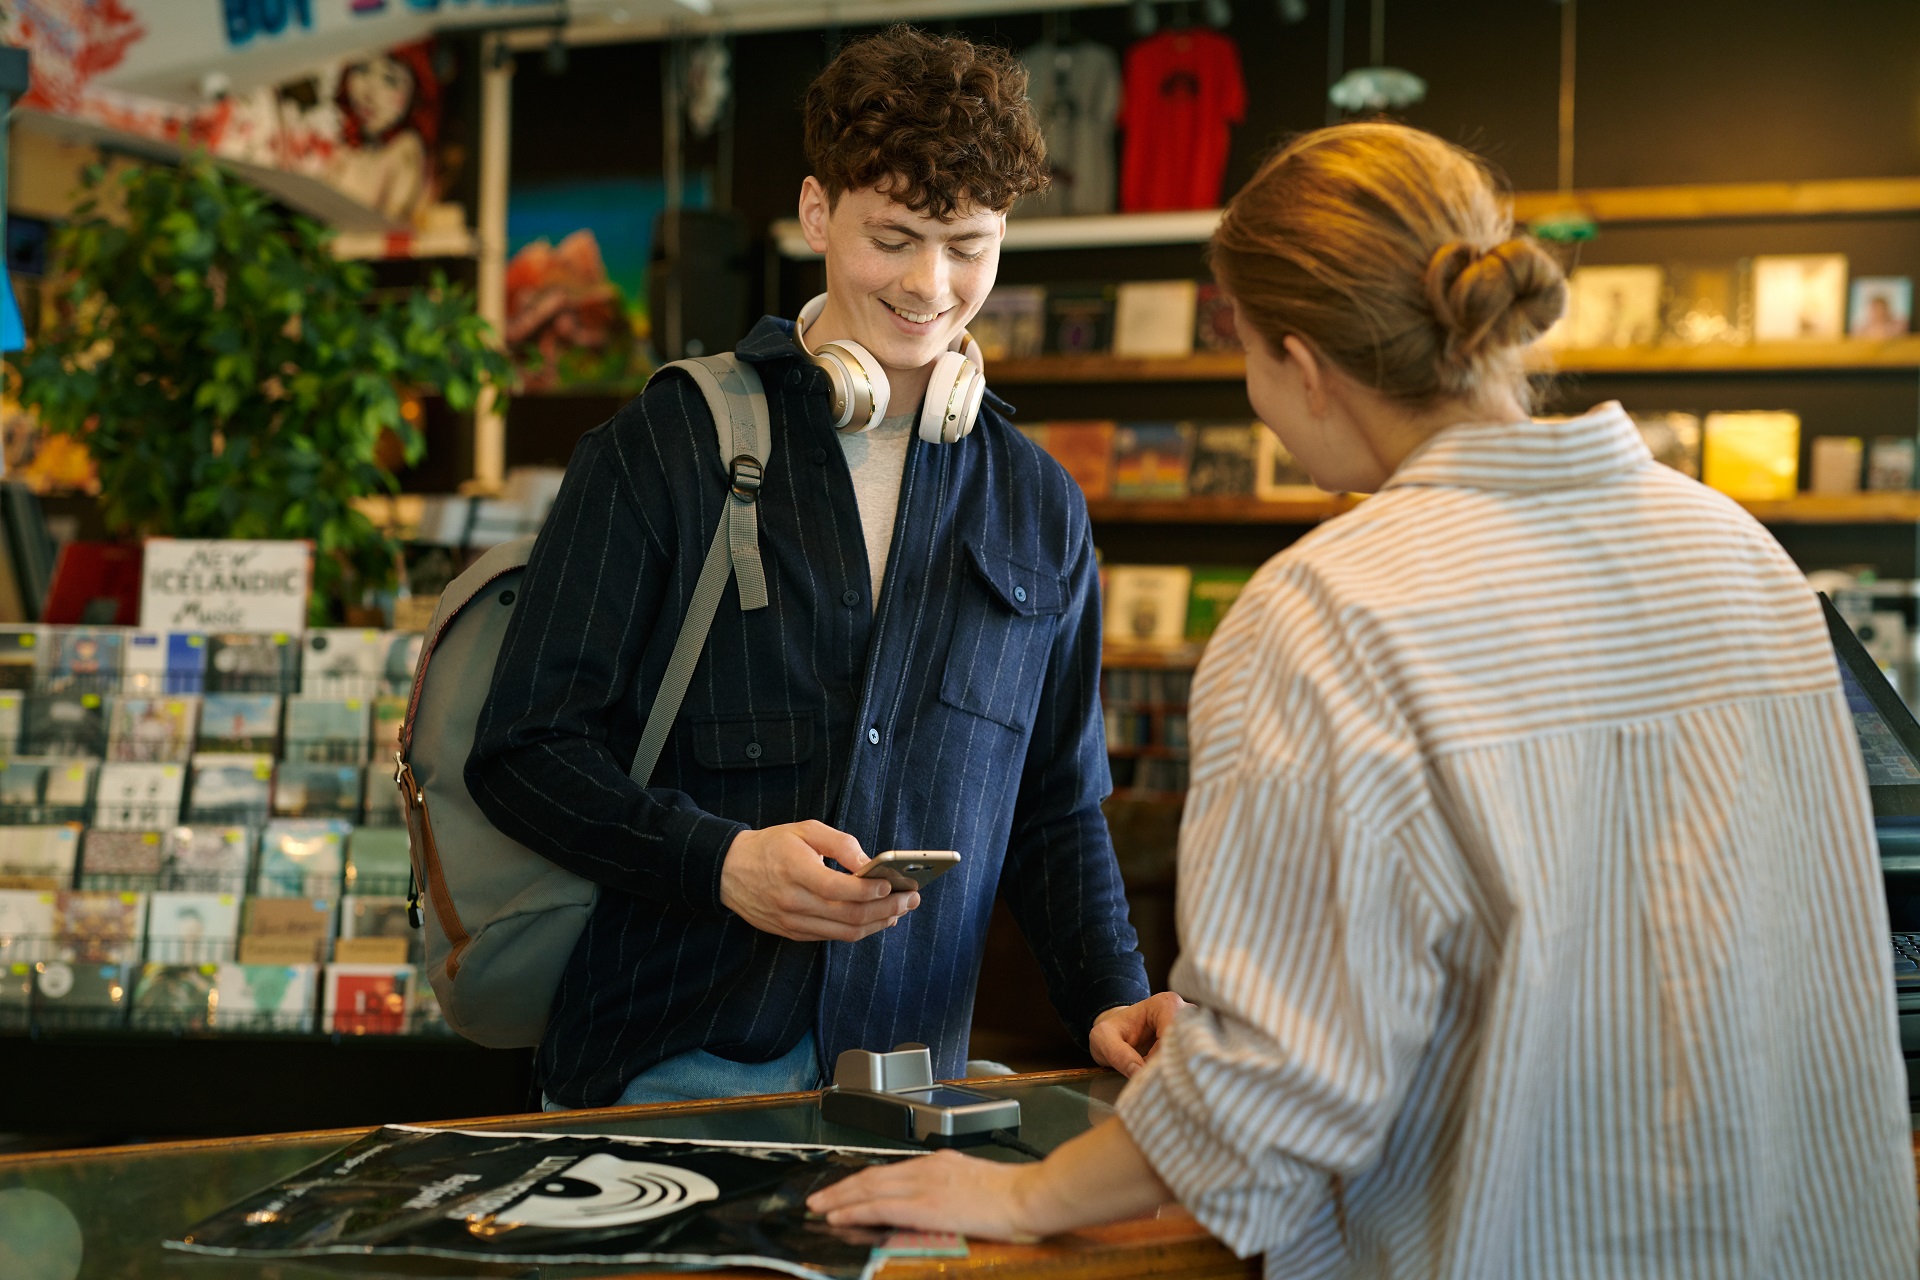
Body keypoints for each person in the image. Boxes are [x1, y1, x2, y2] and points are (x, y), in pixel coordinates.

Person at [810, 121, 1920, 1275]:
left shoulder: (1327, 610)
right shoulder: (1738, 550)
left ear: (1302, 361)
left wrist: (1029, 1195)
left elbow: (1272, 1089)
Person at [467, 27, 1161, 1111]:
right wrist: (720, 860)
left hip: (911, 1086)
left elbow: (1057, 808)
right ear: (815, 213)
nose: (932, 284)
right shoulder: (667, 444)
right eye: (894, 236)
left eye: (968, 244)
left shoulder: (1039, 501)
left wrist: (1112, 996)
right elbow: (522, 751)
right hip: (666, 1072)